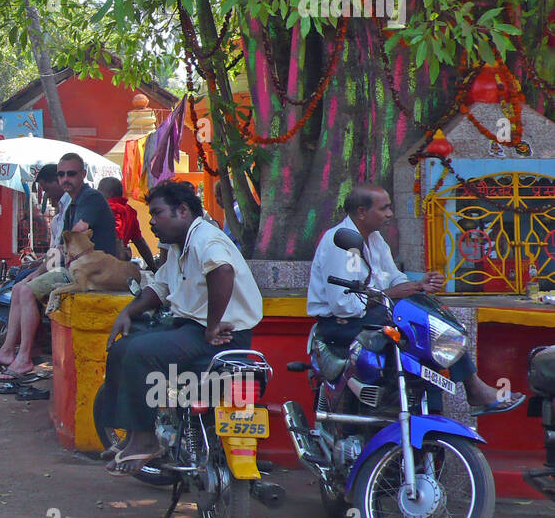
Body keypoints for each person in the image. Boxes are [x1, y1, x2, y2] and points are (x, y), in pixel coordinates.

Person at [307, 183, 522, 415]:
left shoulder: (375, 240)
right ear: (361, 212)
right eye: (384, 209)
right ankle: (474, 387)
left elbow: (391, 278)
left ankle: (439, 414)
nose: (390, 214)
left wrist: (419, 284)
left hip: (373, 315)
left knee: (430, 330)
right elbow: (344, 306)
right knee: (422, 333)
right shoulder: (342, 243)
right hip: (342, 325)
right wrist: (392, 294)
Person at [101, 179, 263, 472]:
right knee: (122, 346)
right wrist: (128, 310)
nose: (151, 222)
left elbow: (222, 270)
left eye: (157, 213)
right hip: (193, 329)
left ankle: (147, 441)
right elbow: (161, 286)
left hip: (220, 336)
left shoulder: (205, 239)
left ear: (183, 211)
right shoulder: (180, 245)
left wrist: (213, 326)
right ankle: (132, 436)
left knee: (139, 352)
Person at [0, 154, 115, 379]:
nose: (65, 179)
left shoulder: (89, 198)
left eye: (70, 174)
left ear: (82, 174)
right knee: (20, 287)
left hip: (93, 272)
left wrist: (43, 268)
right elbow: (60, 250)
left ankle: (23, 359)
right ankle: (7, 352)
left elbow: (77, 233)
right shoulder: (73, 204)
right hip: (75, 270)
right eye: (61, 174)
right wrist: (35, 272)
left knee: (25, 289)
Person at [97, 176, 157, 272]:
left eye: (99, 190)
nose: (97, 194)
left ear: (109, 193)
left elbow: (116, 238)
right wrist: (154, 268)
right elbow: (140, 242)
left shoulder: (110, 208)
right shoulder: (129, 210)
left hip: (107, 263)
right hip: (120, 263)